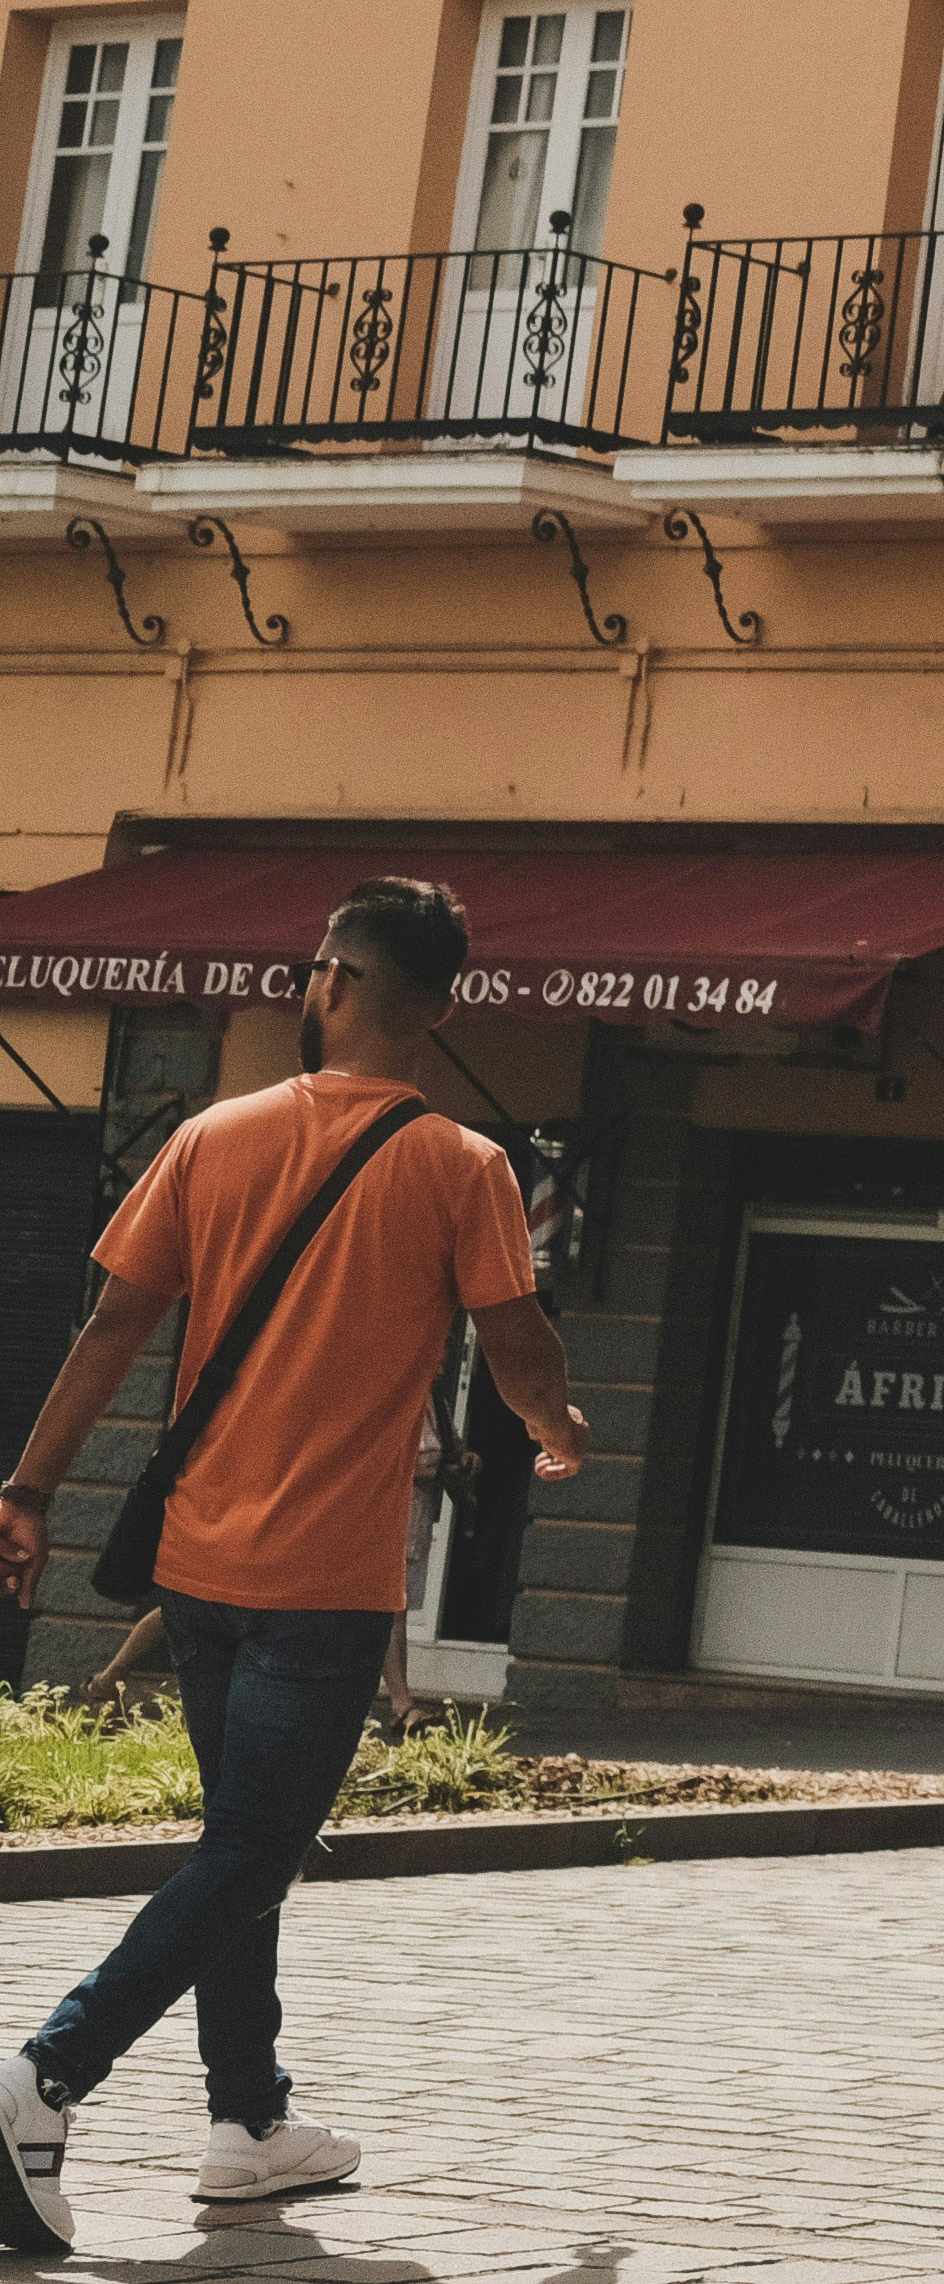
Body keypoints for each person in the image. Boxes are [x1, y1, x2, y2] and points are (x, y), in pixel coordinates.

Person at [0, 881, 586, 2247]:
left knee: (239, 1844)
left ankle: (250, 2124)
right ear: (442, 1007)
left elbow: (110, 1328)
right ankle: (44, 2076)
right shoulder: (464, 1166)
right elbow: (517, 1345)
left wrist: (27, 1489)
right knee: (256, 1846)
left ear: (329, 979)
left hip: (198, 1568)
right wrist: (556, 1429)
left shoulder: (212, 1136)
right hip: (323, 1582)